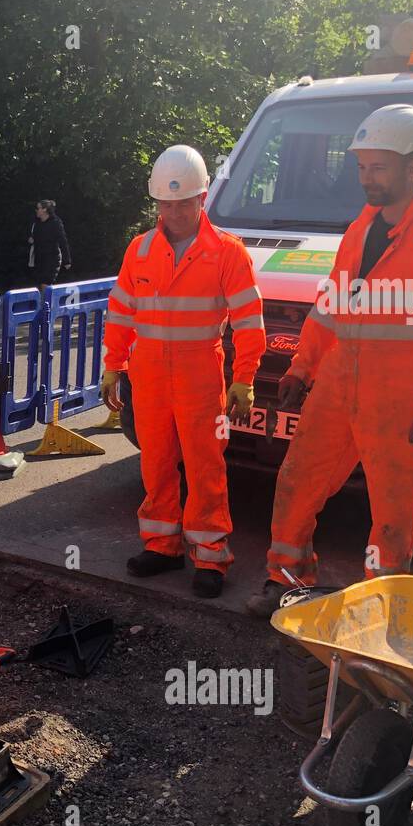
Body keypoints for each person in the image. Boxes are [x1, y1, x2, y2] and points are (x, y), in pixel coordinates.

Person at [246, 104, 413, 617]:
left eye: (378, 167)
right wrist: (302, 369)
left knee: (392, 509)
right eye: (361, 167)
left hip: (399, 400)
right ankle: (284, 581)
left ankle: (381, 608)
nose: (366, 179)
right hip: (335, 388)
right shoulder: (361, 229)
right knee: (296, 481)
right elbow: (330, 307)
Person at [101, 145, 266, 598]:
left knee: (205, 465)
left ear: (201, 198)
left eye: (183, 202)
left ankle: (210, 556)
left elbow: (250, 321)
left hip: (200, 374)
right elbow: (120, 312)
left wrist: (244, 378)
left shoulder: (227, 253)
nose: (173, 212)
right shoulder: (141, 250)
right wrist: (113, 365)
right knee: (155, 463)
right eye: (165, 204)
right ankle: (162, 545)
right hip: (149, 374)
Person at [28, 199, 72, 288]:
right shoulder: (37, 223)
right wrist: (32, 239)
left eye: (38, 208)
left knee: (45, 284)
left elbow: (63, 241)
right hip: (39, 259)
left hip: (52, 259)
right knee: (40, 285)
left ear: (45, 210)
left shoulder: (55, 223)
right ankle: (45, 300)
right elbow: (34, 238)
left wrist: (67, 261)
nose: (36, 210)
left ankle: (45, 301)